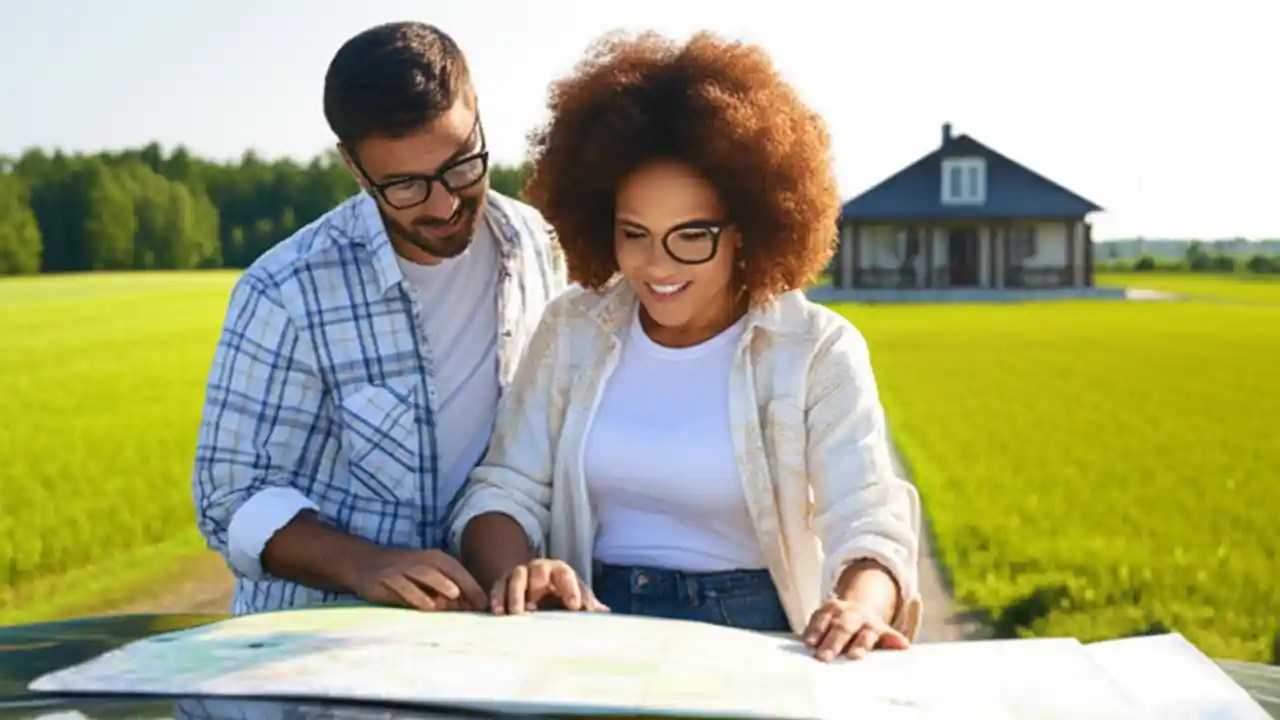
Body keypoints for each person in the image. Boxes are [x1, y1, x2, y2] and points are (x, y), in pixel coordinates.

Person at [447, 30, 923, 662]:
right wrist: (519, 572)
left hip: (758, 639)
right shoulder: (573, 330)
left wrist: (859, 607)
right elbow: (504, 489)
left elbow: (869, 520)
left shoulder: (814, 351)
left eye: (690, 236)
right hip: (587, 625)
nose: (657, 265)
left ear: (747, 230)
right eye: (634, 234)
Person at [191, 21, 565, 616]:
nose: (443, 205)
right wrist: (367, 564)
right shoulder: (286, 291)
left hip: (493, 639)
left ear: (480, 117)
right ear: (354, 168)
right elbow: (230, 497)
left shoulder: (537, 245)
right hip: (320, 661)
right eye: (405, 186)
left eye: (461, 165)